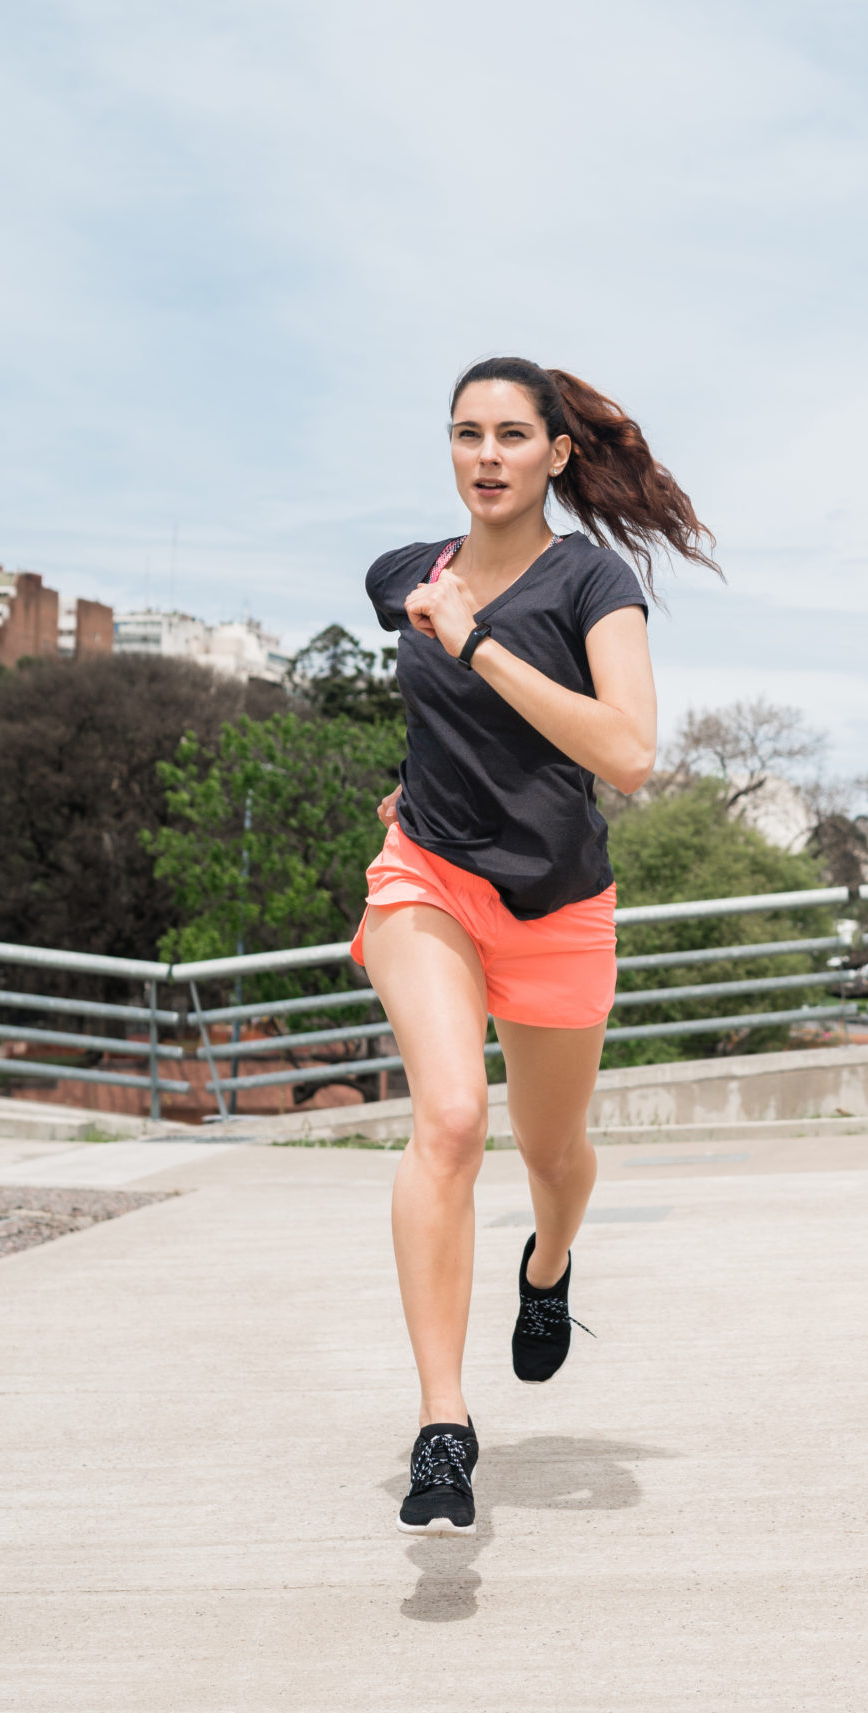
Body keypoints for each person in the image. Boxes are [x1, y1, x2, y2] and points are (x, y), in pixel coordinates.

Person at [353, 356, 714, 1535]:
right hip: (429, 882)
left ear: (558, 453)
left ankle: (549, 1266)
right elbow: (437, 720)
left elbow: (628, 753)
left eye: (513, 434)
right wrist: (408, 791)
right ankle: (442, 1426)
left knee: (554, 1155)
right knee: (451, 1120)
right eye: (467, 433)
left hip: (558, 908)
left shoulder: (590, 583)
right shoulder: (403, 575)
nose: (488, 455)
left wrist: (475, 644)